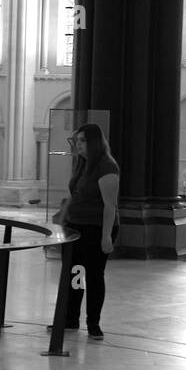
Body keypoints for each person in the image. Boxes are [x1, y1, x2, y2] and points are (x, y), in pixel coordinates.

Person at [52, 123, 119, 339]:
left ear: (93, 142)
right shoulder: (82, 164)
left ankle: (93, 323)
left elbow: (110, 205)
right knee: (75, 274)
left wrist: (106, 236)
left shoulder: (107, 166)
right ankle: (70, 319)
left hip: (97, 228)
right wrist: (63, 220)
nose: (78, 145)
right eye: (76, 141)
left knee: (94, 276)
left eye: (82, 141)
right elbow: (75, 195)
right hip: (75, 227)